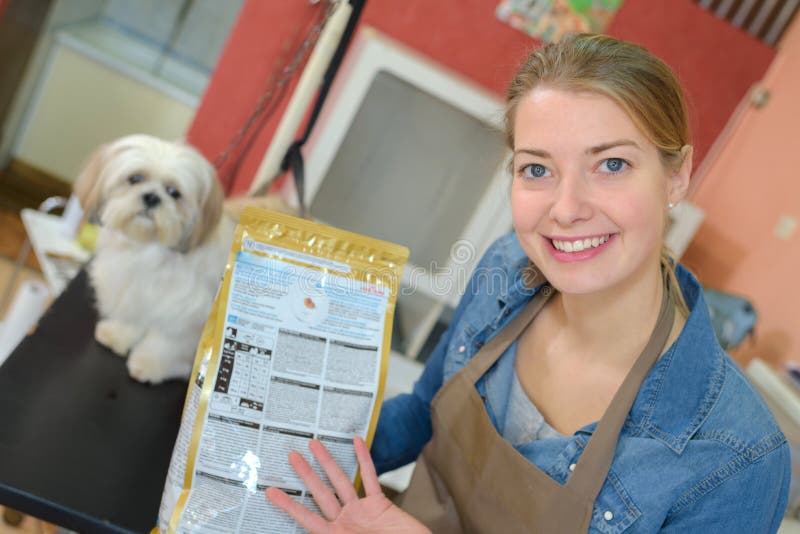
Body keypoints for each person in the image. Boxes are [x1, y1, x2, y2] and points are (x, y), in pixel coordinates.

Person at [266, 33, 791, 532]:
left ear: (676, 175)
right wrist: (282, 444)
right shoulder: (505, 270)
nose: (566, 210)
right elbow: (428, 408)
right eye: (537, 170)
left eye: (611, 164)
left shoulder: (736, 458)